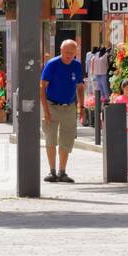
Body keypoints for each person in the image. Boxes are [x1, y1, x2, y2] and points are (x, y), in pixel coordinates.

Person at [40, 39, 86, 184]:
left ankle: (62, 171)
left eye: (72, 53)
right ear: (61, 51)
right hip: (52, 105)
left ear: (75, 53)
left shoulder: (77, 66)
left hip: (69, 106)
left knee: (67, 139)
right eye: (66, 52)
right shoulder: (52, 64)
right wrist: (46, 111)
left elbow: (80, 87)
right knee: (51, 138)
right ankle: (52, 171)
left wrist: (81, 107)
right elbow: (42, 87)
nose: (69, 55)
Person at [111, 79, 128, 176]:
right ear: (122, 89)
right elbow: (114, 112)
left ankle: (124, 166)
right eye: (126, 89)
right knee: (126, 147)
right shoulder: (119, 99)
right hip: (122, 127)